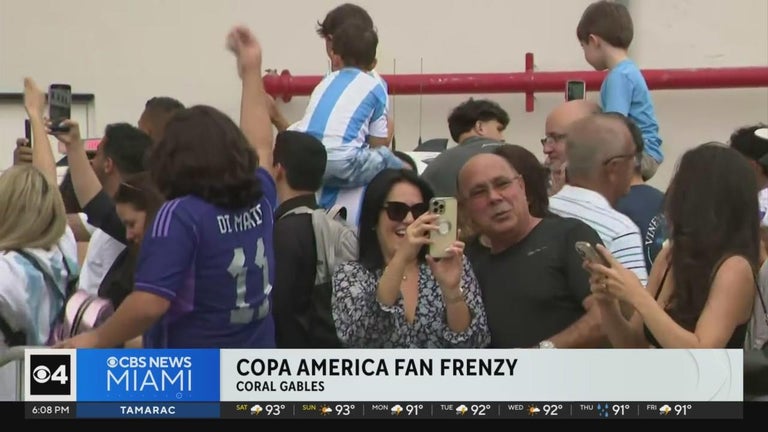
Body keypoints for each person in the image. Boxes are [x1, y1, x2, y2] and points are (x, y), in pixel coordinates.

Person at [55, 25, 277, 349]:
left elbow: (149, 303)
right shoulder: (260, 196)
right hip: (253, 367)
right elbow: (261, 146)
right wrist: (252, 72)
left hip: (194, 373)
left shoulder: (180, 216)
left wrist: (97, 338)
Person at [585, 143, 758, 348]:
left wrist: (637, 295)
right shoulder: (670, 257)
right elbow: (632, 345)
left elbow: (702, 351)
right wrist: (607, 304)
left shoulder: (734, 268)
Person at [459, 153, 605, 348]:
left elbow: (605, 316)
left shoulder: (569, 236)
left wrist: (541, 353)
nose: (494, 197)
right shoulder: (464, 260)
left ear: (521, 186)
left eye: (502, 184)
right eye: (479, 192)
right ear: (466, 207)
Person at [332, 169, 490, 348]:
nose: (409, 220)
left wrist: (452, 291)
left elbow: (475, 345)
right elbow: (360, 338)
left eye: (418, 211)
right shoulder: (351, 274)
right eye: (396, 210)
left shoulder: (451, 263)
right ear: (374, 219)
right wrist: (401, 258)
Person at [289, 21, 403, 191]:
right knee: (388, 159)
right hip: (342, 164)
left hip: (307, 162)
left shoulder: (325, 81)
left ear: (337, 58)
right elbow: (378, 143)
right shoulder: (375, 87)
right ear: (373, 64)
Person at [577, 0, 662, 180]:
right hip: (647, 153)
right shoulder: (628, 71)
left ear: (594, 41)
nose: (584, 54)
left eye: (583, 46)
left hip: (640, 156)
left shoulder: (619, 76)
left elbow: (614, 128)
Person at [421, 98, 509, 198]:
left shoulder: (435, 165)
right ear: (480, 127)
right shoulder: (507, 154)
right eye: (499, 129)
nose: (502, 138)